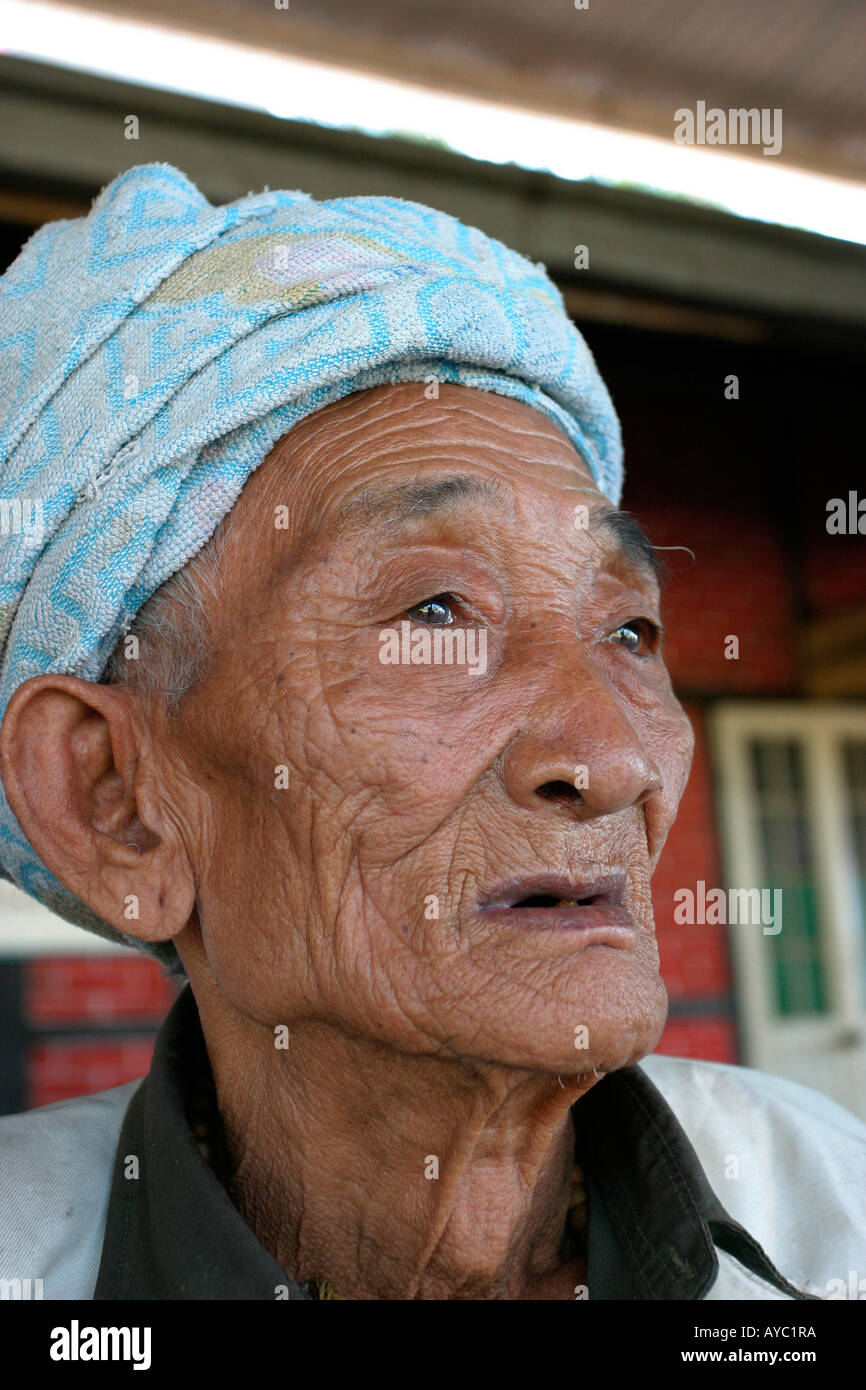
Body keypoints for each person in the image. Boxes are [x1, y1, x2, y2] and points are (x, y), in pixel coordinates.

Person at [0, 164, 862, 1300]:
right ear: (116, 800)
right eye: (434, 614)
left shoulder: (833, 1216)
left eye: (629, 627)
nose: (609, 759)